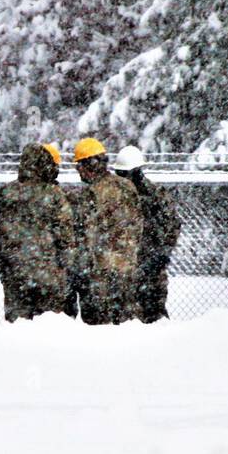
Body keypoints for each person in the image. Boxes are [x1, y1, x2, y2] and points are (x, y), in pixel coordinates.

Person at [0, 143, 76, 322]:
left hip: (15, 277)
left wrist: (6, 266)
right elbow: (66, 237)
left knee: (18, 332)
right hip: (49, 279)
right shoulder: (54, 195)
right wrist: (64, 269)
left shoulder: (5, 193)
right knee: (50, 331)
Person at [68, 136, 141, 325]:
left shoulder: (88, 195)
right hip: (127, 271)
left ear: (89, 164)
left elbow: (83, 237)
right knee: (127, 328)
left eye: (79, 165)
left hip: (99, 277)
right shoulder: (127, 187)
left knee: (99, 335)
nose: (78, 171)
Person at [113, 145, 180, 323]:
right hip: (124, 268)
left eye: (125, 173)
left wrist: (161, 254)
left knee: (153, 313)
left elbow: (172, 225)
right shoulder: (114, 196)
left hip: (150, 267)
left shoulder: (156, 195)